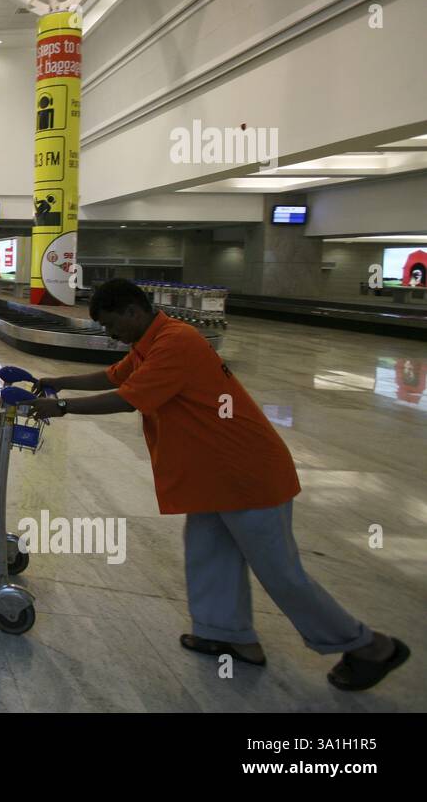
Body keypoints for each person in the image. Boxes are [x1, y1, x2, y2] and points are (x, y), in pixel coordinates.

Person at [25, 278, 410, 692]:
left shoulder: (177, 342)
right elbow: (114, 376)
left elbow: (129, 396)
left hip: (246, 473)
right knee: (208, 552)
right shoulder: (152, 341)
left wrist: (61, 407)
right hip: (212, 475)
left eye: (110, 324)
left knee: (281, 572)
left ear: (132, 312)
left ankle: (371, 646)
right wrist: (59, 381)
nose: (109, 333)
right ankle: (228, 635)